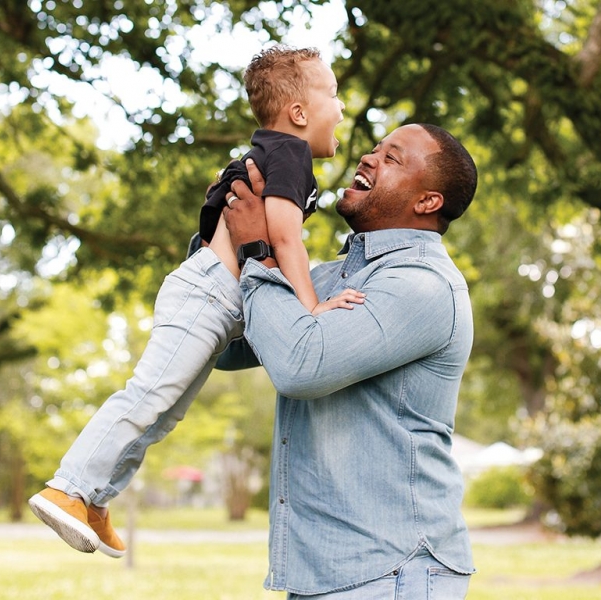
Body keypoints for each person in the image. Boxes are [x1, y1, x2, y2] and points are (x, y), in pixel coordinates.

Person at [28, 45, 361, 558]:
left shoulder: (268, 153)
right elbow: (286, 239)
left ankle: (95, 499)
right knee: (148, 397)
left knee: (163, 414)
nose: (341, 108)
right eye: (334, 95)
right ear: (299, 113)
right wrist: (312, 307)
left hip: (211, 294)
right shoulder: (290, 155)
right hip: (207, 293)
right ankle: (68, 487)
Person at [217, 122, 478, 598]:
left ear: (428, 202)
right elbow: (228, 349)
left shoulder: (421, 284)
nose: (369, 158)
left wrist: (259, 248)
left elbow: (301, 365)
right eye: (376, 148)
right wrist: (221, 230)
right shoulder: (332, 277)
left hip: (391, 571)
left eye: (393, 158)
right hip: (328, 572)